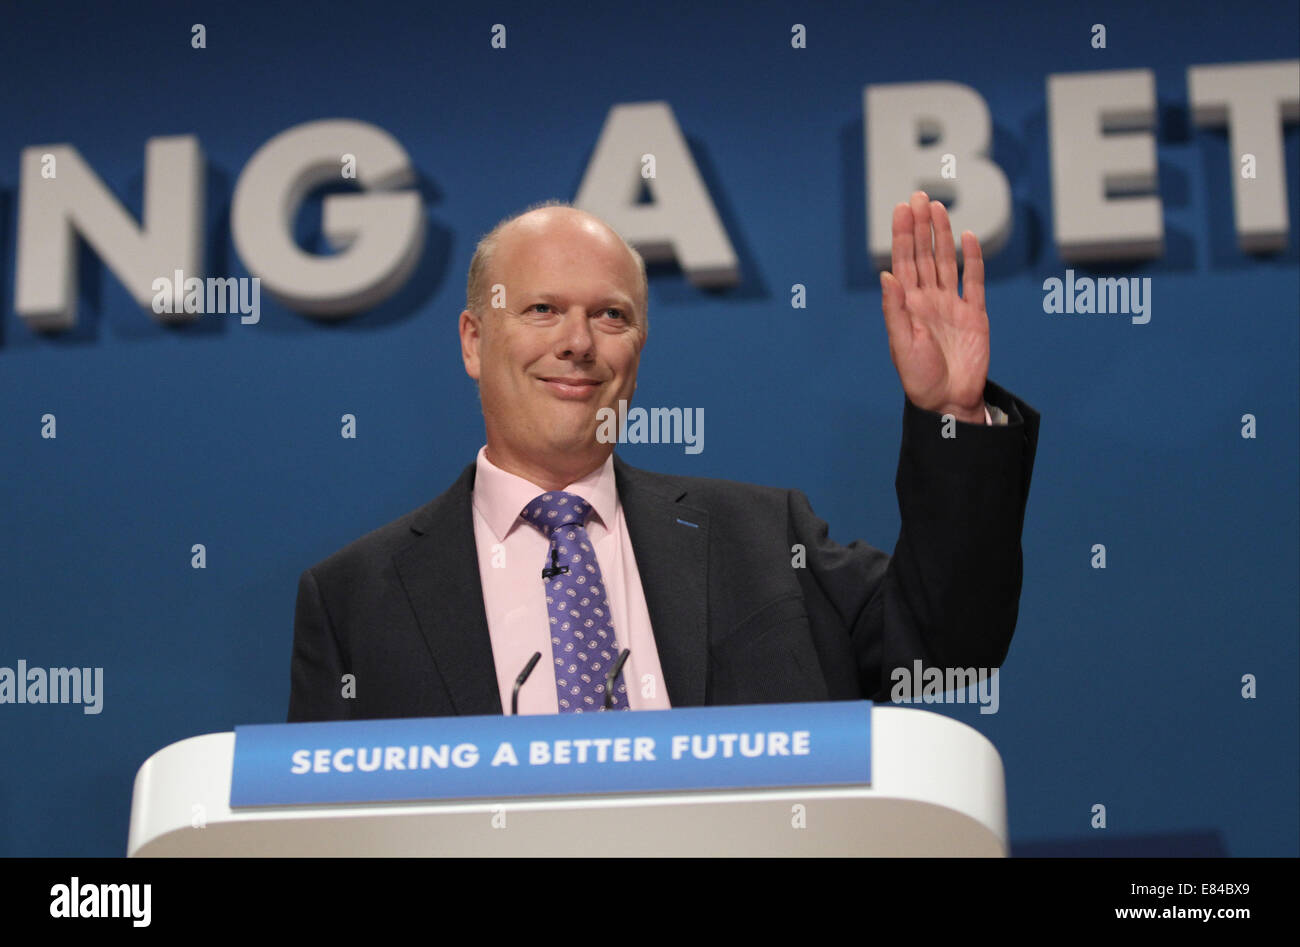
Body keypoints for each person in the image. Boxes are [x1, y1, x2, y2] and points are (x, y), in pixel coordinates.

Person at [287, 193, 1039, 721]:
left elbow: (950, 648)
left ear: (638, 349)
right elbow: (320, 833)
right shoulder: (356, 599)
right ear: (474, 341)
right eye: (542, 309)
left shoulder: (767, 540)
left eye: (610, 315)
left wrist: (952, 417)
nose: (577, 342)